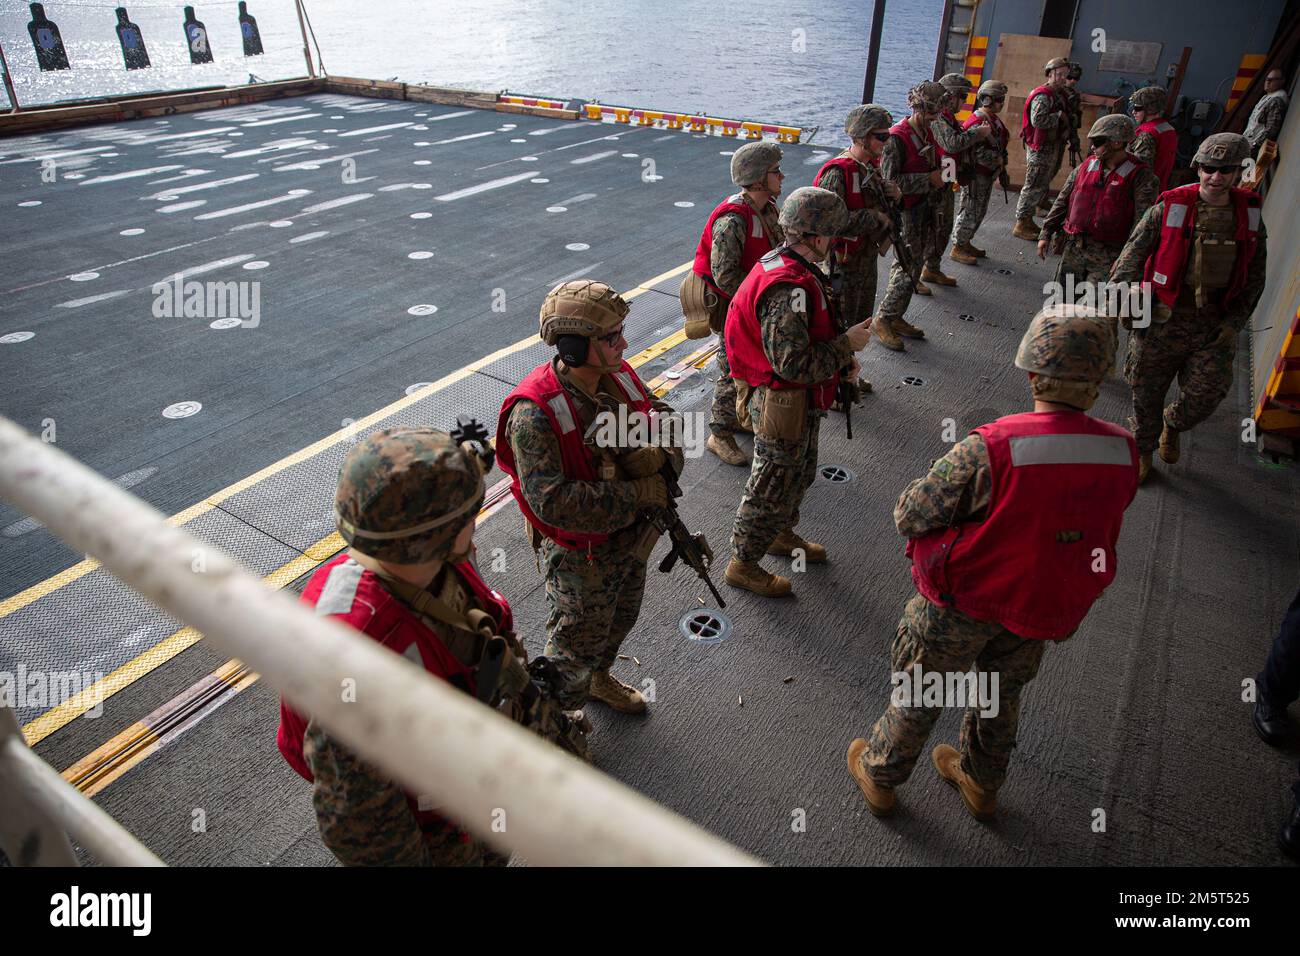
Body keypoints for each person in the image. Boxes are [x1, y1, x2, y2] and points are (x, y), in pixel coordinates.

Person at [846, 304, 1139, 820]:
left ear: (1031, 372)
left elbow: (911, 513)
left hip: (966, 603)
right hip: (1041, 607)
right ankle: (982, 782)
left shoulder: (994, 446)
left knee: (923, 687)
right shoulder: (1122, 452)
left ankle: (881, 773)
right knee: (1000, 693)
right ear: (1099, 376)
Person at [277, 426, 588, 866]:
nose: (472, 526)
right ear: (433, 538)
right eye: (466, 517)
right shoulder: (355, 655)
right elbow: (367, 833)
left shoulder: (428, 568)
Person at [497, 280, 683, 712]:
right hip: (581, 558)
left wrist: (655, 448)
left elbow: (661, 414)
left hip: (629, 539)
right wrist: (637, 492)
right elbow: (551, 500)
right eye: (611, 336)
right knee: (572, 647)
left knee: (620, 618)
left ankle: (598, 678)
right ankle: (555, 723)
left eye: (621, 331)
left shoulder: (617, 376)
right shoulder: (535, 412)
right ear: (573, 347)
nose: (624, 342)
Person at [724, 186, 872, 597]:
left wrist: (842, 360)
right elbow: (791, 363)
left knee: (799, 472)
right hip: (779, 399)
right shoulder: (788, 287)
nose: (835, 242)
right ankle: (743, 563)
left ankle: (778, 533)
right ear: (817, 235)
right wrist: (847, 346)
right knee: (771, 480)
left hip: (795, 398)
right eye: (832, 234)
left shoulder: (789, 263)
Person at [1110, 132, 1268, 483]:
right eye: (1209, 168)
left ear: (1239, 171)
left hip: (1212, 325)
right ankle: (1144, 448)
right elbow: (1128, 261)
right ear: (1198, 168)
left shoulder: (1249, 217)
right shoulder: (1168, 209)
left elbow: (1255, 275)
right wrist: (1127, 304)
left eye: (1226, 169)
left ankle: (1174, 423)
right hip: (1161, 318)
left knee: (1206, 395)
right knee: (1144, 390)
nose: (1216, 177)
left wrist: (1233, 324)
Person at [684, 140, 786, 466]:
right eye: (775, 172)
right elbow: (725, 275)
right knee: (731, 368)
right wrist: (762, 298)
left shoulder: (767, 209)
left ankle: (740, 418)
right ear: (758, 179)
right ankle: (719, 434)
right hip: (733, 303)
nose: (782, 176)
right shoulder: (734, 220)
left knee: (750, 363)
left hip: (751, 300)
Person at [1037, 114, 1159, 329]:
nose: (1092, 147)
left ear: (1117, 143)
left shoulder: (1141, 177)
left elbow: (1142, 227)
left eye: (1098, 142)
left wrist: (1125, 263)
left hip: (1108, 256)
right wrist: (1046, 232)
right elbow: (1063, 200)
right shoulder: (1087, 167)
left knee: (1092, 315)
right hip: (1074, 249)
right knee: (1059, 308)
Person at [813, 103, 899, 393]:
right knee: (839, 326)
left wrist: (893, 195)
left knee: (859, 320)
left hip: (864, 260)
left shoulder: (869, 169)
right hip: (842, 265)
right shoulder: (838, 173)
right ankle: (834, 387)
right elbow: (825, 221)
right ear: (862, 137)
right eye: (881, 137)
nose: (886, 142)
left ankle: (848, 374)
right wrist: (871, 218)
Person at [874, 80, 949, 351]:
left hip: (923, 208)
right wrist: (927, 179)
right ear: (918, 108)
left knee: (915, 265)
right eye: (930, 113)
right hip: (906, 211)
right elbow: (888, 183)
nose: (934, 118)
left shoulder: (926, 132)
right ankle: (884, 318)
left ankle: (896, 316)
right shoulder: (897, 138)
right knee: (906, 265)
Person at [924, 73, 993, 284]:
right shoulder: (939, 118)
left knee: (943, 228)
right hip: (936, 181)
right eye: (961, 96)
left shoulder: (948, 118)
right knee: (930, 230)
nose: (964, 102)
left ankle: (932, 268)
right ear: (949, 96)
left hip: (947, 177)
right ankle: (922, 270)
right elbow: (951, 144)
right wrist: (976, 134)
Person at [951, 80, 1011, 264]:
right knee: (969, 210)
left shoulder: (992, 120)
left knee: (979, 210)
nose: (1002, 103)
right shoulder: (977, 121)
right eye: (999, 99)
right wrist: (996, 160)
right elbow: (974, 152)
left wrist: (1002, 164)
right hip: (975, 175)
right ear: (987, 100)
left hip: (986, 174)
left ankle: (966, 240)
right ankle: (958, 246)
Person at [1013, 57, 1072, 241]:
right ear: (1049, 74)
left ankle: (1030, 217)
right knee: (1033, 185)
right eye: (1059, 74)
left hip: (1052, 146)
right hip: (1041, 149)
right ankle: (1021, 223)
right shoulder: (1043, 95)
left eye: (1065, 75)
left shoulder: (1059, 94)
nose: (1063, 78)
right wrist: (1059, 116)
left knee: (1042, 183)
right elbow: (1037, 120)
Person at [1129, 86, 1178, 191]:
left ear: (1150, 109)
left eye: (1137, 108)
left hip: (1141, 192)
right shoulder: (1168, 129)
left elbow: (1139, 168)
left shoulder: (1146, 133)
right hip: (1159, 188)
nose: (1133, 112)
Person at [1244, 68, 1289, 157]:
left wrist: (1255, 146)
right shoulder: (1267, 96)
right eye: (1267, 79)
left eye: (1272, 80)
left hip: (1254, 148)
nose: (1268, 82)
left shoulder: (1276, 100)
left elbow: (1272, 128)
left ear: (1282, 81)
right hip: (1248, 143)